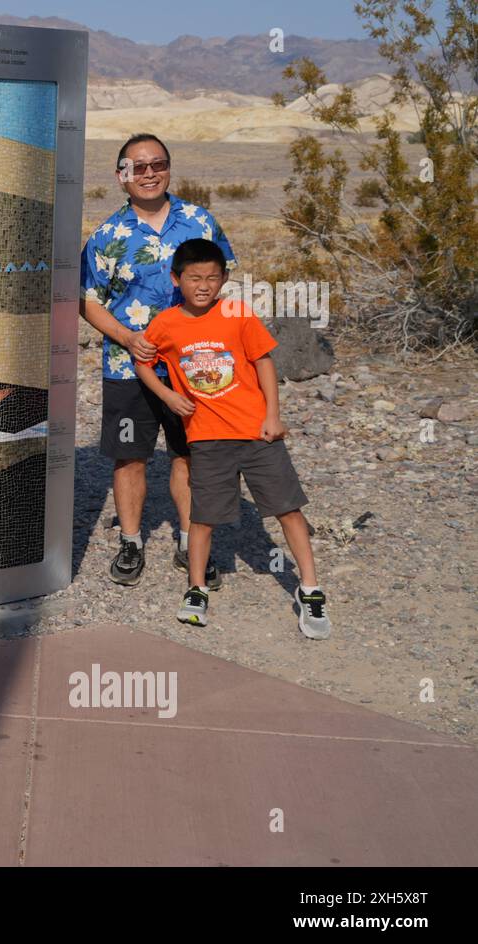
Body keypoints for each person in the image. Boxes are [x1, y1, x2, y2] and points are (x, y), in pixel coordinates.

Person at [134, 238, 331, 639]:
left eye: (211, 277)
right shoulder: (167, 323)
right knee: (203, 516)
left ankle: (310, 588)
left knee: (287, 509)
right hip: (206, 437)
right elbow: (142, 361)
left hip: (257, 432)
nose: (203, 285)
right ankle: (196, 590)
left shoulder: (237, 315)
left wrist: (273, 416)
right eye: (193, 278)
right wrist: (169, 395)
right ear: (177, 279)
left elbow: (263, 362)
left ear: (223, 279)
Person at [80, 133, 237, 589]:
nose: (150, 173)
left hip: (192, 366)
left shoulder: (199, 221)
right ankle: (131, 541)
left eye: (158, 164)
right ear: (121, 176)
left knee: (188, 455)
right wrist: (128, 338)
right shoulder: (107, 236)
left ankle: (191, 542)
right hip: (128, 366)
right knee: (129, 457)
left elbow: (217, 281)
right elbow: (89, 301)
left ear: (169, 169)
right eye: (139, 166)